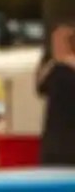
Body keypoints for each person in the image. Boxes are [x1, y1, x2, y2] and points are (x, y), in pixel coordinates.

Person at [38, 23, 75, 166]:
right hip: (55, 144)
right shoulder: (55, 68)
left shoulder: (62, 70)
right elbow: (40, 87)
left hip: (64, 145)